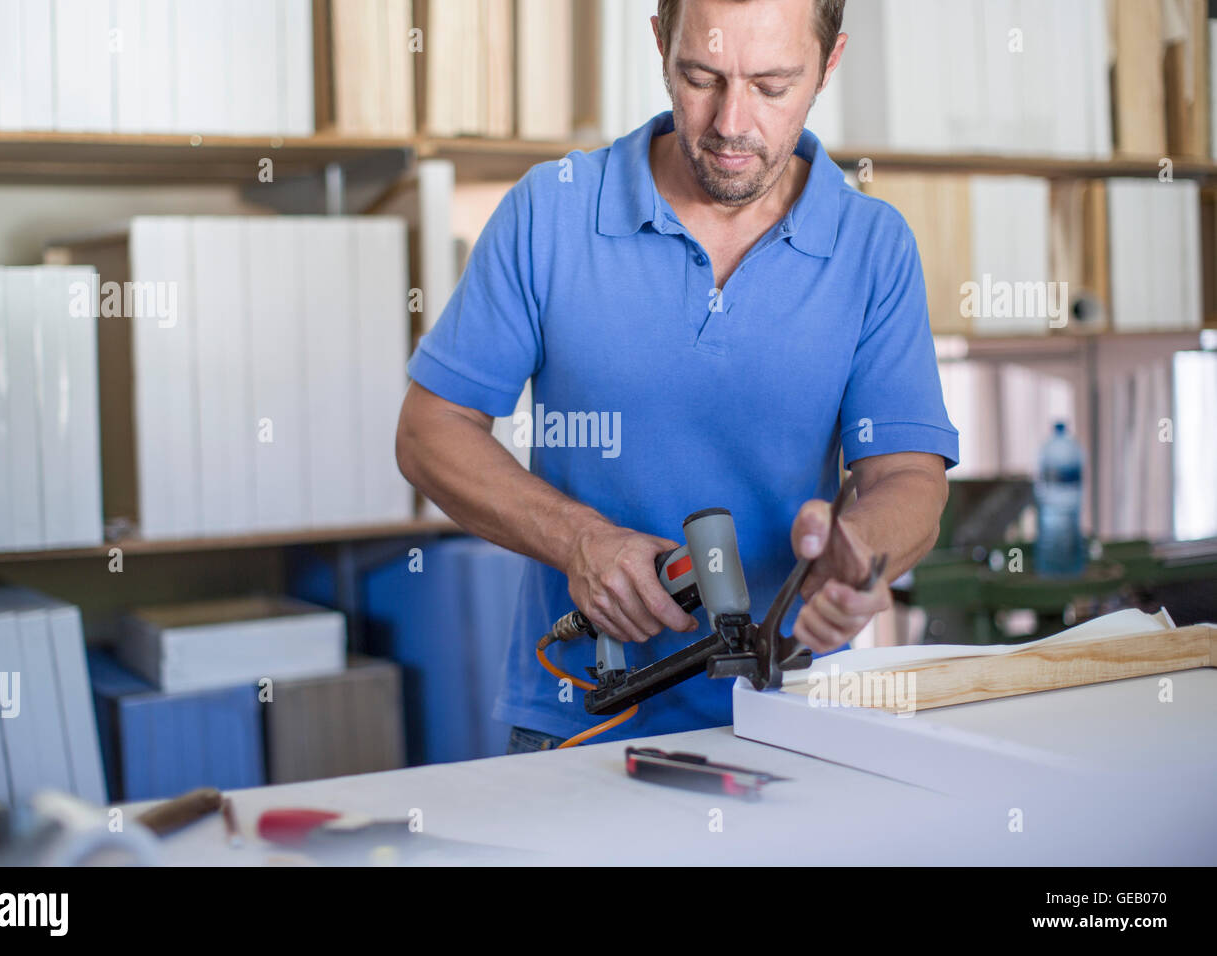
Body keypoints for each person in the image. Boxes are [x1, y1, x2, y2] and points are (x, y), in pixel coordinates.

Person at [396, 0, 958, 753]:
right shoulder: (550, 212)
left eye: (772, 85)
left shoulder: (873, 246)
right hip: (578, 722)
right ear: (660, 44)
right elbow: (431, 430)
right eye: (701, 76)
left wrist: (857, 553)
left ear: (829, 64)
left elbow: (909, 479)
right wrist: (579, 541)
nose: (731, 122)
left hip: (797, 721)